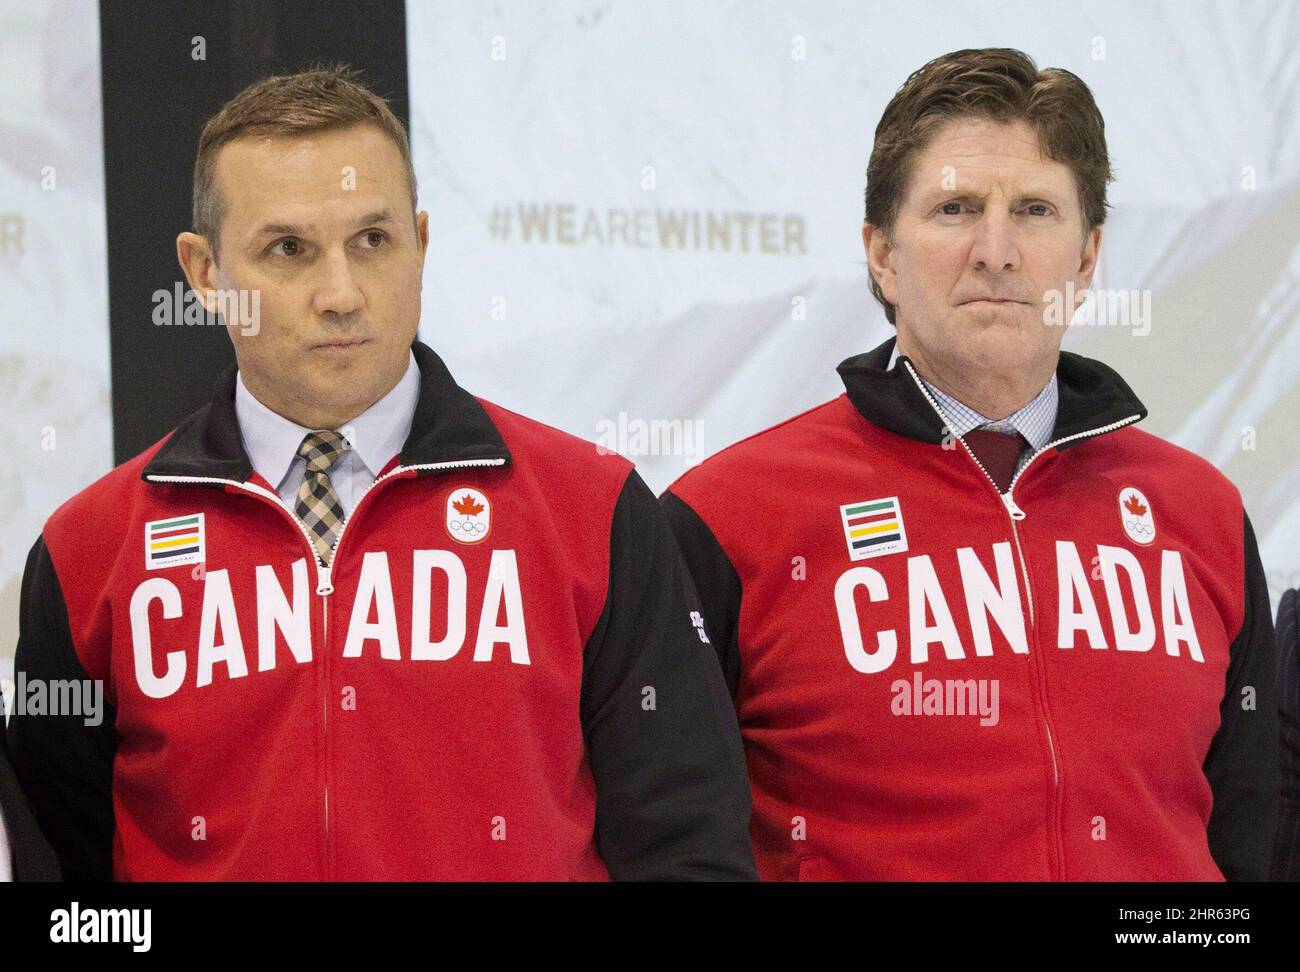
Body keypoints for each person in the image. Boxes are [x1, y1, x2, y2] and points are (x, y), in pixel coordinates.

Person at [7, 65, 755, 881]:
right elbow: (65, 881)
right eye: (288, 249)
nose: (341, 293)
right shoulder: (90, 550)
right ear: (205, 274)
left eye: (373, 240)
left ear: (422, 244)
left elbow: (689, 845)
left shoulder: (593, 511)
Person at [661, 48, 1278, 881]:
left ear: (1088, 258)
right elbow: (670, 839)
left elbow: (1252, 851)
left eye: (1035, 210)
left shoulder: (1200, 514)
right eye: (955, 209)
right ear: (881, 253)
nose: (998, 250)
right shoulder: (726, 518)